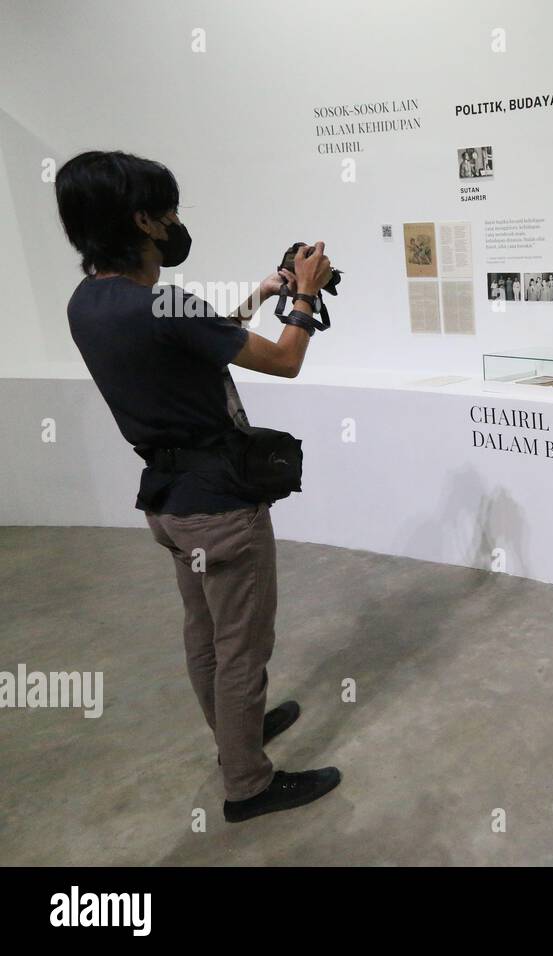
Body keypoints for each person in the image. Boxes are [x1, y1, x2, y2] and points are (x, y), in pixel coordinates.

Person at [54, 151, 341, 823]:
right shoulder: (166, 302)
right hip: (222, 506)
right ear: (142, 220)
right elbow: (284, 360)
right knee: (243, 647)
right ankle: (248, 784)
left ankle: (235, 735)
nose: (176, 224)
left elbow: (188, 339)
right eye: (169, 211)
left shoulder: (91, 303)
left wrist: (264, 293)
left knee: (205, 636)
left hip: (170, 502)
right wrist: (305, 295)